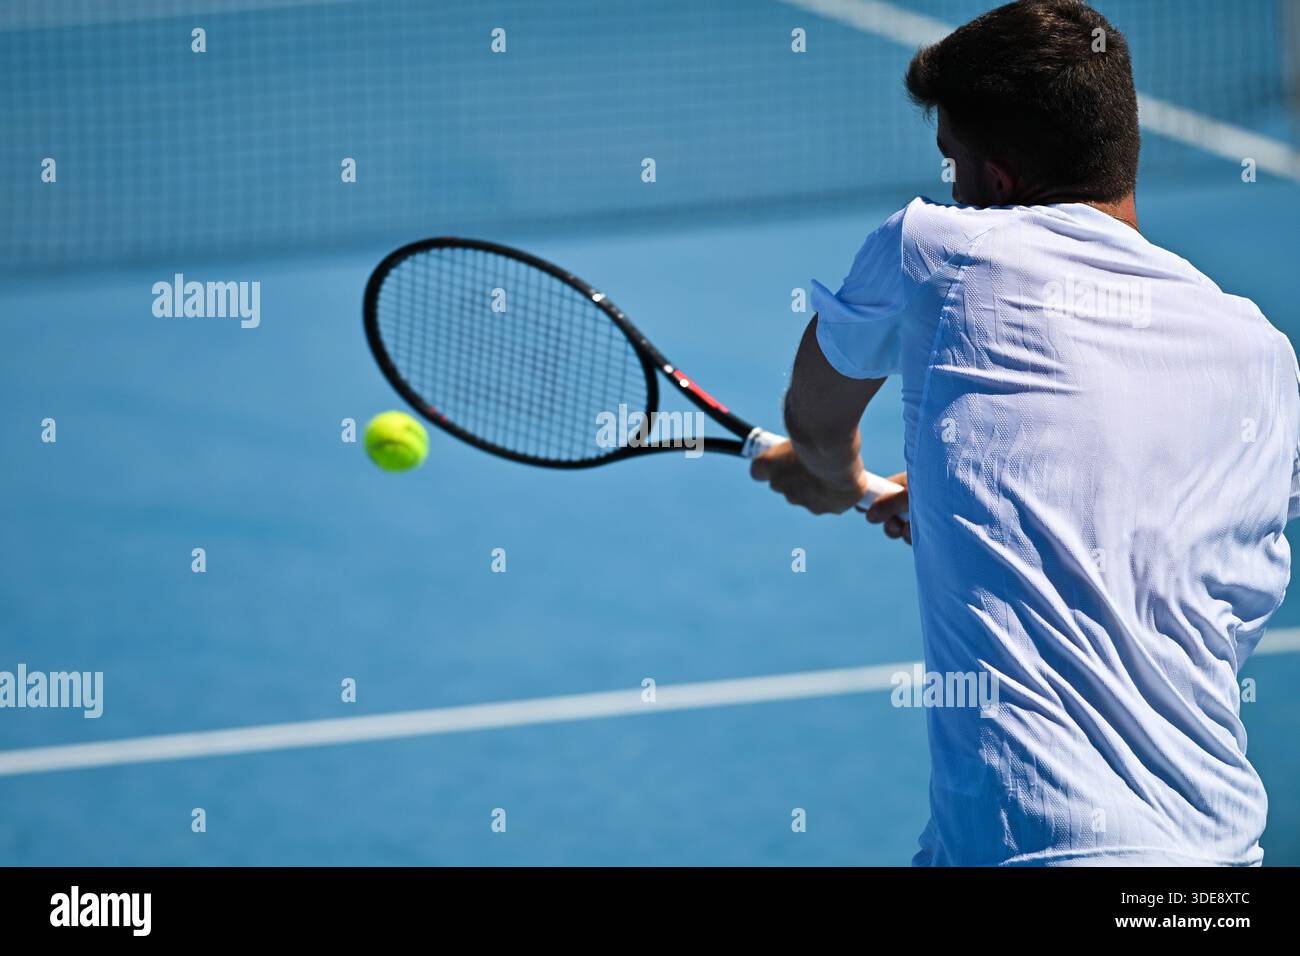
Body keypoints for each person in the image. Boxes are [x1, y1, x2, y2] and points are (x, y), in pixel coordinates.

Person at [751, 0, 1297, 865]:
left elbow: (817, 416)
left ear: (995, 178)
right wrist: (955, 502)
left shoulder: (936, 249)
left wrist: (827, 470)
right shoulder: (1263, 356)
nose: (950, 188)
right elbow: (1158, 515)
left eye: (953, 164)